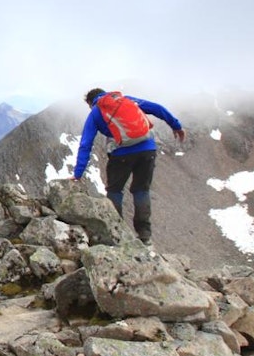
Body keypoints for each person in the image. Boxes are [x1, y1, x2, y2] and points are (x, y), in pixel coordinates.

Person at [73, 87, 186, 244]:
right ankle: (145, 236)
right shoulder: (127, 100)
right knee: (141, 190)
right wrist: (176, 126)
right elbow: (157, 108)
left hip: (121, 155)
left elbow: (86, 144)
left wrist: (78, 174)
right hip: (148, 149)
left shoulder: (96, 112)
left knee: (115, 190)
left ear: (90, 102)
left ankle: (116, 234)